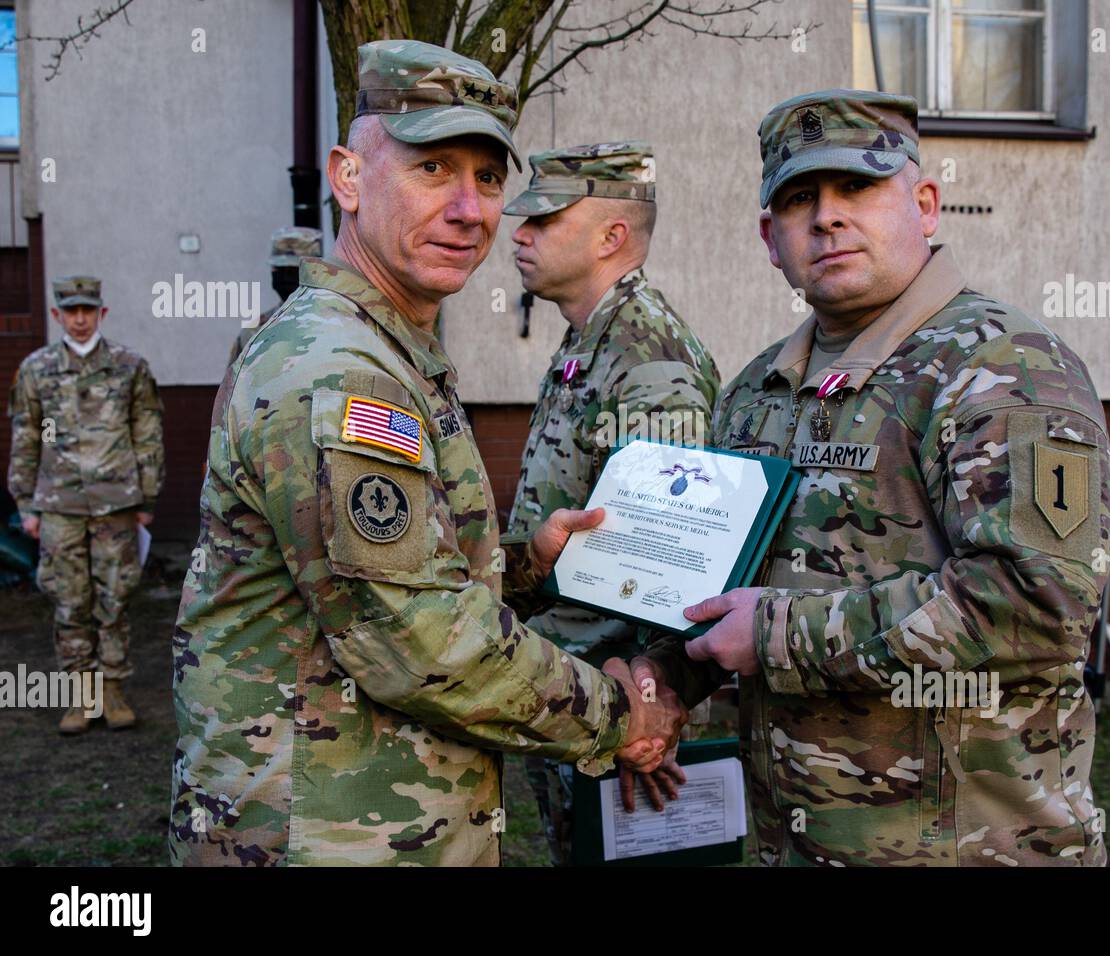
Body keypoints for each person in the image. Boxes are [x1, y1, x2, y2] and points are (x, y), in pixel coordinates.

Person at [168, 39, 684, 867]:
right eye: (433, 168)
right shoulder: (340, 372)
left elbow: (392, 575)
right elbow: (425, 644)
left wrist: (526, 565)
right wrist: (623, 719)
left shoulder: (382, 346)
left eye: (486, 177)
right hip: (328, 836)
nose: (472, 209)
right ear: (347, 178)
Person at [635, 90, 1110, 866]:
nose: (826, 217)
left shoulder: (1004, 366)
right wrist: (659, 680)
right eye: (798, 200)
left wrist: (776, 633)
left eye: (857, 187)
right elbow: (714, 580)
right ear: (770, 237)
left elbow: (1040, 603)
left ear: (924, 205)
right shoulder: (756, 391)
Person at [502, 141, 721, 862]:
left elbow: (678, 563)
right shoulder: (590, 341)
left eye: (542, 221)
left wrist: (648, 710)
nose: (519, 235)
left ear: (611, 237)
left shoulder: (647, 357)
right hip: (574, 691)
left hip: (619, 706)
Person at [7, 275, 164, 734]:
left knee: (114, 600)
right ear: (57, 315)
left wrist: (148, 495)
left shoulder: (128, 367)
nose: (79, 319)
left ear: (102, 313)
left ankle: (113, 689)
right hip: (59, 504)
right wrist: (26, 503)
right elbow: (30, 436)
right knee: (69, 601)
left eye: (87, 310)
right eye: (70, 311)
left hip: (116, 503)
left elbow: (146, 433)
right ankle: (80, 696)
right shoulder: (37, 370)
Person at [227, 226, 322, 366]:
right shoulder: (255, 330)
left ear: (313, 271)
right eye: (279, 268)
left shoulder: (336, 324)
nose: (285, 276)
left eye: (293, 270)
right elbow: (232, 385)